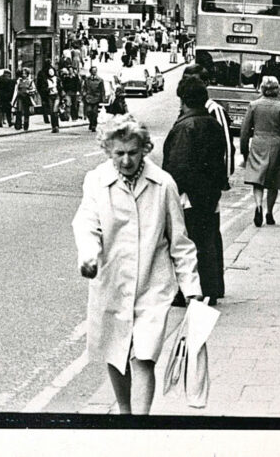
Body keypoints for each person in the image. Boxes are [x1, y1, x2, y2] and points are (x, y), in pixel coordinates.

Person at [73, 114, 202, 415]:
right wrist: (89, 255)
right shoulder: (96, 181)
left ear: (145, 148)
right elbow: (86, 223)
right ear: (107, 151)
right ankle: (124, 412)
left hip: (153, 284)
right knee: (115, 350)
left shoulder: (163, 184)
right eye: (119, 153)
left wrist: (192, 289)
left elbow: (180, 242)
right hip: (112, 279)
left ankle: (139, 424)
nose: (127, 160)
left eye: (133, 152)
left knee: (144, 356)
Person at [162, 74, 229, 303]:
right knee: (208, 239)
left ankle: (186, 291)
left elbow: (177, 165)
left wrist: (173, 192)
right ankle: (211, 287)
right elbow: (221, 161)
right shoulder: (213, 124)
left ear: (184, 100)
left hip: (188, 195)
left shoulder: (184, 127)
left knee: (186, 243)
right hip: (210, 193)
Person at [238, 75, 280, 228]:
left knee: (258, 180)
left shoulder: (254, 105)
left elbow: (245, 130)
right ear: (277, 90)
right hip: (276, 145)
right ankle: (269, 212)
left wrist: (244, 150)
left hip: (258, 144)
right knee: (273, 182)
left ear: (262, 89)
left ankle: (258, 206)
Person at [82, 67, 106, 131]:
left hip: (96, 98)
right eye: (93, 71)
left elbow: (102, 90)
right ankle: (91, 122)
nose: (94, 72)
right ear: (90, 71)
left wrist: (103, 98)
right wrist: (84, 93)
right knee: (89, 112)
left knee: (95, 112)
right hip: (88, 97)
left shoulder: (100, 80)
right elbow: (84, 88)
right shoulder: (87, 79)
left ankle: (93, 125)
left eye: (95, 70)